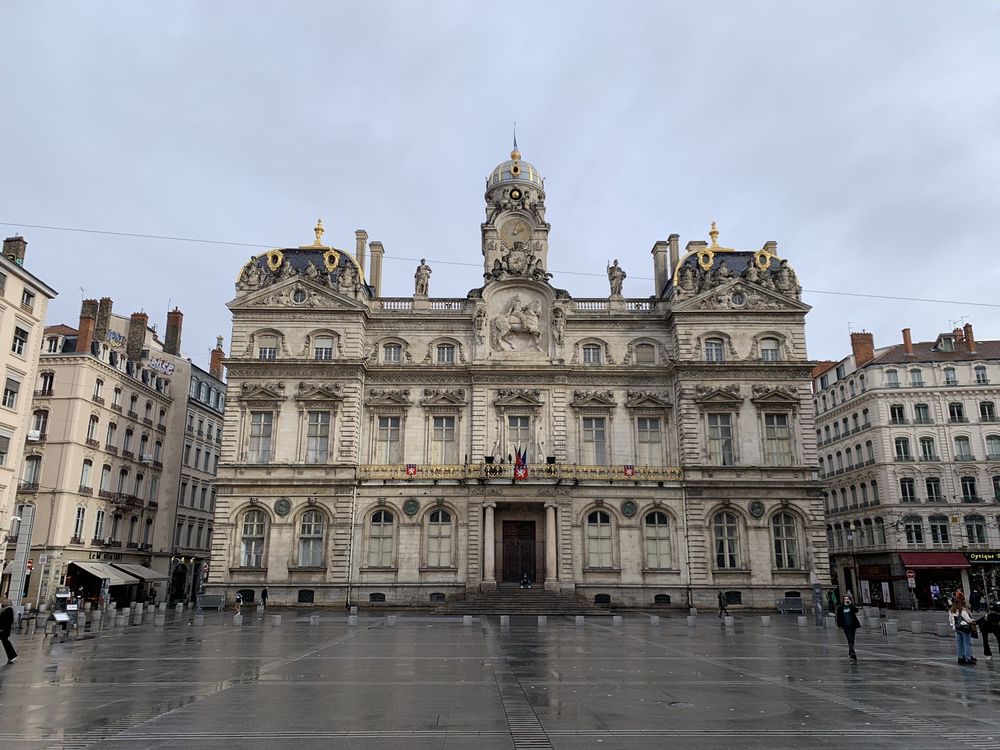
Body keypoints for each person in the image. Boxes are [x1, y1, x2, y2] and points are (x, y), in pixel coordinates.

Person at [949, 591, 977, 665]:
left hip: (957, 628)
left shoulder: (952, 610)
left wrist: (953, 625)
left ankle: (960, 657)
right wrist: (973, 620)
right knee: (967, 643)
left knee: (959, 643)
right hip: (964, 628)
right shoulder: (962, 611)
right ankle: (968, 658)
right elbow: (968, 620)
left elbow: (951, 620)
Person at [835, 593, 861, 662]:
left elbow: (856, 610)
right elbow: (838, 617)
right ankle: (853, 654)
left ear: (850, 600)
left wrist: (850, 604)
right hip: (846, 626)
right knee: (849, 639)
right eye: (845, 599)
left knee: (852, 639)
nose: (846, 600)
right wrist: (839, 625)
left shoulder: (851, 607)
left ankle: (850, 653)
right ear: (843, 600)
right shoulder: (840, 608)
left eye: (847, 599)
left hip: (852, 625)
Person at [0, 596, 17, 664]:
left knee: (6, 643)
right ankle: (12, 656)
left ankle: (12, 656)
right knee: (6, 642)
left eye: (4, 602)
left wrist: (2, 629)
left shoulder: (8, 610)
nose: (3, 603)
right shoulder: (6, 610)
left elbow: (6, 621)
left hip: (3, 630)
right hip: (4, 630)